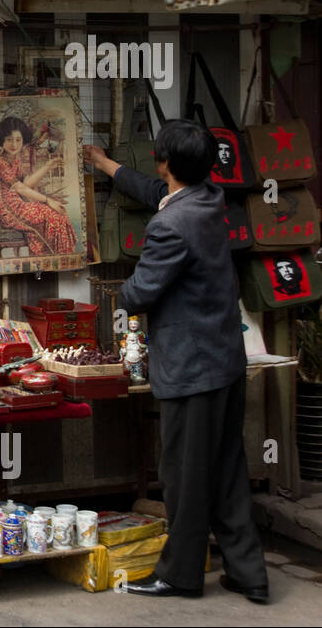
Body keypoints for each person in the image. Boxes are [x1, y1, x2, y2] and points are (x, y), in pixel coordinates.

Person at [85, 120, 268, 603]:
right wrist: (106, 166)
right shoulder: (208, 199)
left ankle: (181, 575)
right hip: (225, 363)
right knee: (227, 469)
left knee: (184, 478)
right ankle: (250, 573)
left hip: (192, 370)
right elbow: (156, 192)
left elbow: (141, 291)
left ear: (166, 163)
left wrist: (116, 297)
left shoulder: (170, 225)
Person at [0, 116, 77, 255]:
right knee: (51, 215)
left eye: (18, 140)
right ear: (2, 141)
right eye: (9, 140)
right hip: (6, 209)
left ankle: (60, 256)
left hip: (16, 204)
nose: (14, 144)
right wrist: (48, 200)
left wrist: (47, 167)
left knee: (59, 213)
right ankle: (53, 256)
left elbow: (26, 184)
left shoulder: (15, 160)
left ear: (23, 140)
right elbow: (20, 188)